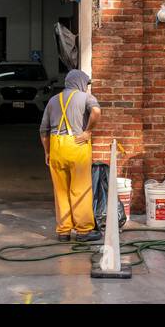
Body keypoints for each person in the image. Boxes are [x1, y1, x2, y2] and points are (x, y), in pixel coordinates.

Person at [39, 68, 102, 243]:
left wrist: (47, 151)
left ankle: (63, 231)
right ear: (80, 82)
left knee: (61, 191)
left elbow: (43, 131)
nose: (87, 87)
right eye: (86, 84)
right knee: (80, 189)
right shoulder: (86, 98)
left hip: (57, 147)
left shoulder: (53, 100)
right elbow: (96, 112)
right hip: (77, 146)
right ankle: (83, 231)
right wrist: (88, 131)